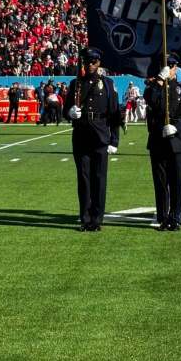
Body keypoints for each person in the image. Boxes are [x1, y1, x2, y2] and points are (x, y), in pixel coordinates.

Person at [65, 48, 122, 232]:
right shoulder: (76, 84)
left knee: (99, 178)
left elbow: (114, 114)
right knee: (84, 178)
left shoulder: (107, 84)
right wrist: (70, 113)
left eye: (93, 62)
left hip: (100, 135)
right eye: (86, 61)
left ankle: (97, 218)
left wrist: (114, 140)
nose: (89, 65)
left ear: (98, 63)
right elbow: (65, 109)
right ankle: (85, 218)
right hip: (81, 135)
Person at [144, 53, 181, 231]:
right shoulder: (153, 86)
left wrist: (177, 127)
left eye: (173, 66)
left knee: (177, 182)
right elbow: (150, 100)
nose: (170, 69)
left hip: (177, 140)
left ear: (177, 68)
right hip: (158, 140)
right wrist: (159, 80)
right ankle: (163, 217)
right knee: (160, 183)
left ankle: (176, 216)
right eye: (166, 66)